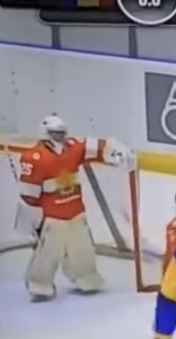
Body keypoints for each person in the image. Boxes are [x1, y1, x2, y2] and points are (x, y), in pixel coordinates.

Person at [17, 115, 132, 300]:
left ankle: (86, 277)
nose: (59, 137)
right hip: (52, 216)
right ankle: (39, 285)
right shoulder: (33, 158)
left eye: (61, 133)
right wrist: (35, 222)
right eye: (55, 133)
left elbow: (99, 146)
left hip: (76, 211)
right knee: (48, 253)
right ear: (45, 134)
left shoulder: (74, 147)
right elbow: (28, 194)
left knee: (83, 248)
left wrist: (118, 151)